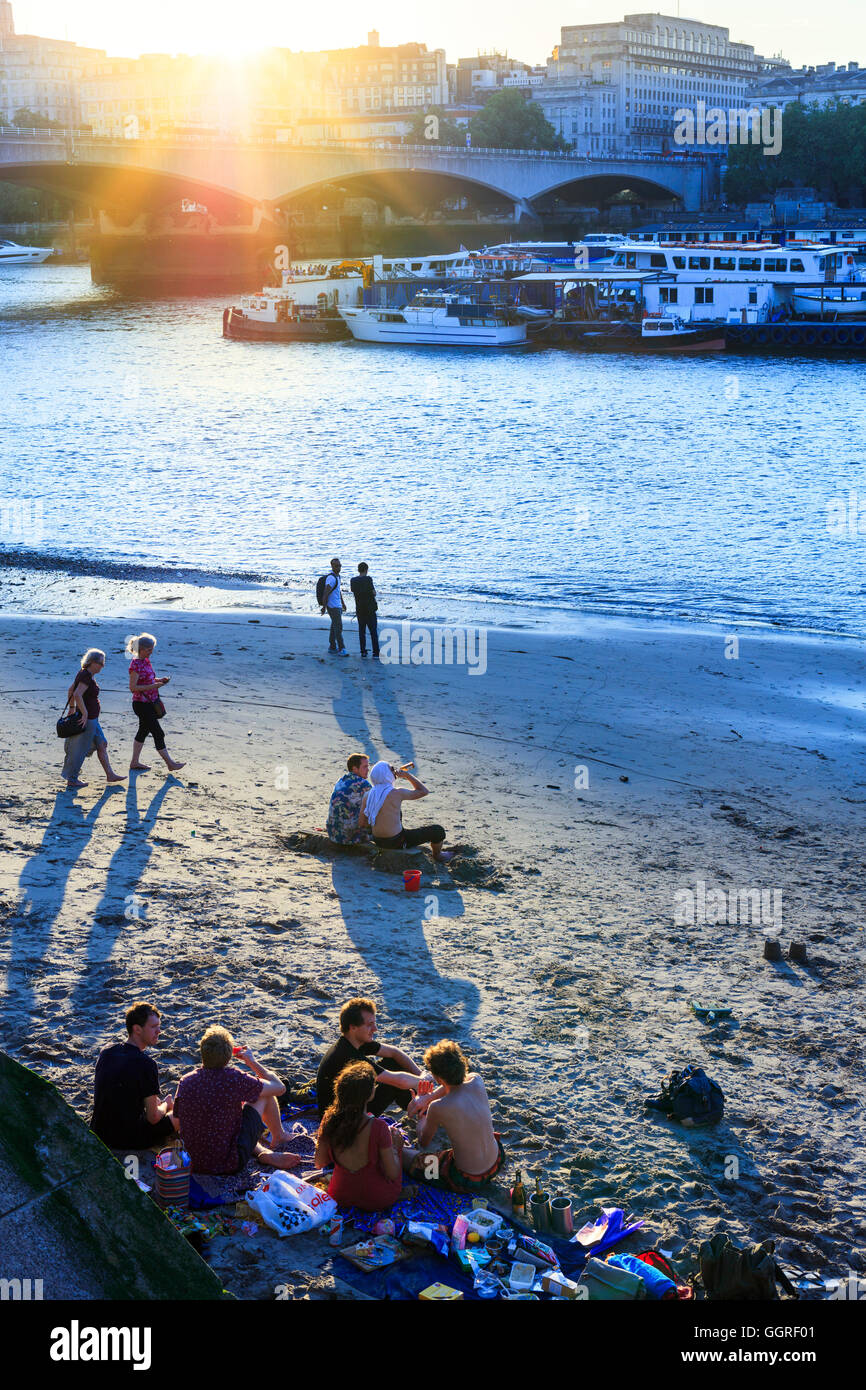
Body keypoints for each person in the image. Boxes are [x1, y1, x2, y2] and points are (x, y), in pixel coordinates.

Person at [173, 1025, 299, 1175]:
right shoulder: (234, 1079)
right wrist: (251, 1061)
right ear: (229, 1056)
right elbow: (279, 1088)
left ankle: (263, 1152)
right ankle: (279, 1136)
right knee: (264, 1094)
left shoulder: (186, 1081)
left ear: (202, 1052)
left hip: (192, 1162)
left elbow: (179, 1119)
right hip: (230, 1163)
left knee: (218, 1121)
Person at [314, 1062, 417, 1211]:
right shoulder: (378, 1127)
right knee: (394, 1151)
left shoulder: (329, 1119)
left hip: (340, 1195)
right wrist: (396, 1148)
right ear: (369, 1095)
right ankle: (398, 1192)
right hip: (377, 1199)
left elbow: (320, 1162)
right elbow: (392, 1173)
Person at [407, 1039, 505, 1193]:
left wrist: (422, 1116)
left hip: (466, 1179)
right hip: (497, 1161)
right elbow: (455, 1085)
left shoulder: (438, 1107)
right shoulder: (477, 1080)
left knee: (409, 1158)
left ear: (438, 1078)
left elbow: (423, 1141)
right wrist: (429, 1098)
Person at [316, 997, 423, 1119]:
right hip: (342, 1119)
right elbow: (399, 1081)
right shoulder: (347, 1055)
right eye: (369, 1025)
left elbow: (394, 1052)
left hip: (350, 1102)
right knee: (394, 1084)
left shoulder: (355, 1041)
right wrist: (423, 1081)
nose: (375, 1029)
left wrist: (420, 1074)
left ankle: (421, 1104)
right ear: (353, 1027)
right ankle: (421, 1108)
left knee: (394, 1063)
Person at [90, 1002, 178, 1150]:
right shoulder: (147, 1064)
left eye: (159, 1026)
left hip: (98, 1131)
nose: (159, 1031)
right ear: (137, 1029)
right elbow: (153, 1118)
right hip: (126, 1139)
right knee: (182, 1115)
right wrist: (166, 1105)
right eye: (153, 1027)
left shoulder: (107, 1051)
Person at [360, 761, 453, 862]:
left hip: (377, 840)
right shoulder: (397, 793)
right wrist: (407, 775)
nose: (394, 771)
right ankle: (438, 855)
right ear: (386, 774)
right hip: (397, 841)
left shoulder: (367, 795)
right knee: (438, 831)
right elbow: (424, 791)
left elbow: (362, 823)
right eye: (392, 769)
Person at [61, 648, 126, 789]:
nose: (103, 666)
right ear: (92, 662)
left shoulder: (85, 674)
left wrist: (72, 708)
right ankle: (72, 779)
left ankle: (110, 774)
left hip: (92, 719)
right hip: (87, 719)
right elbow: (77, 694)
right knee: (80, 749)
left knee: (102, 744)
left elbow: (71, 690)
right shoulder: (85, 675)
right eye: (101, 663)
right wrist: (83, 713)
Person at [126, 633, 185, 773]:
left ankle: (134, 762)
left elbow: (148, 679)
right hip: (141, 704)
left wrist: (159, 680)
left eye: (152, 649)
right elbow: (133, 688)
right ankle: (170, 764)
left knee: (143, 731)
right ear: (141, 649)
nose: (151, 652)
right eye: (149, 649)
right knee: (158, 733)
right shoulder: (135, 664)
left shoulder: (146, 661)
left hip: (150, 702)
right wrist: (154, 686)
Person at [326, 753, 371, 844]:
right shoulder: (363, 784)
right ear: (355, 769)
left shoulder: (341, 780)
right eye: (365, 767)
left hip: (333, 833)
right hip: (349, 837)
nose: (368, 769)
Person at [349, 562, 379, 659]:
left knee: (362, 631)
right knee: (373, 631)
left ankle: (363, 652)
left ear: (358, 570)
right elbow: (374, 593)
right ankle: (376, 653)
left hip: (360, 608)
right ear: (366, 569)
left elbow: (353, 591)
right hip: (370, 608)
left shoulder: (353, 580)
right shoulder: (368, 579)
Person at [320, 557, 348, 656]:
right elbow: (325, 593)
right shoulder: (331, 578)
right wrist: (324, 607)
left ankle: (332, 647)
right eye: (336, 566)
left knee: (334, 626)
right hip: (332, 606)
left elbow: (338, 591)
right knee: (338, 627)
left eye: (340, 565)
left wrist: (343, 603)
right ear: (332, 566)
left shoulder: (338, 577)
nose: (339, 567)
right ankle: (342, 648)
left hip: (338, 605)